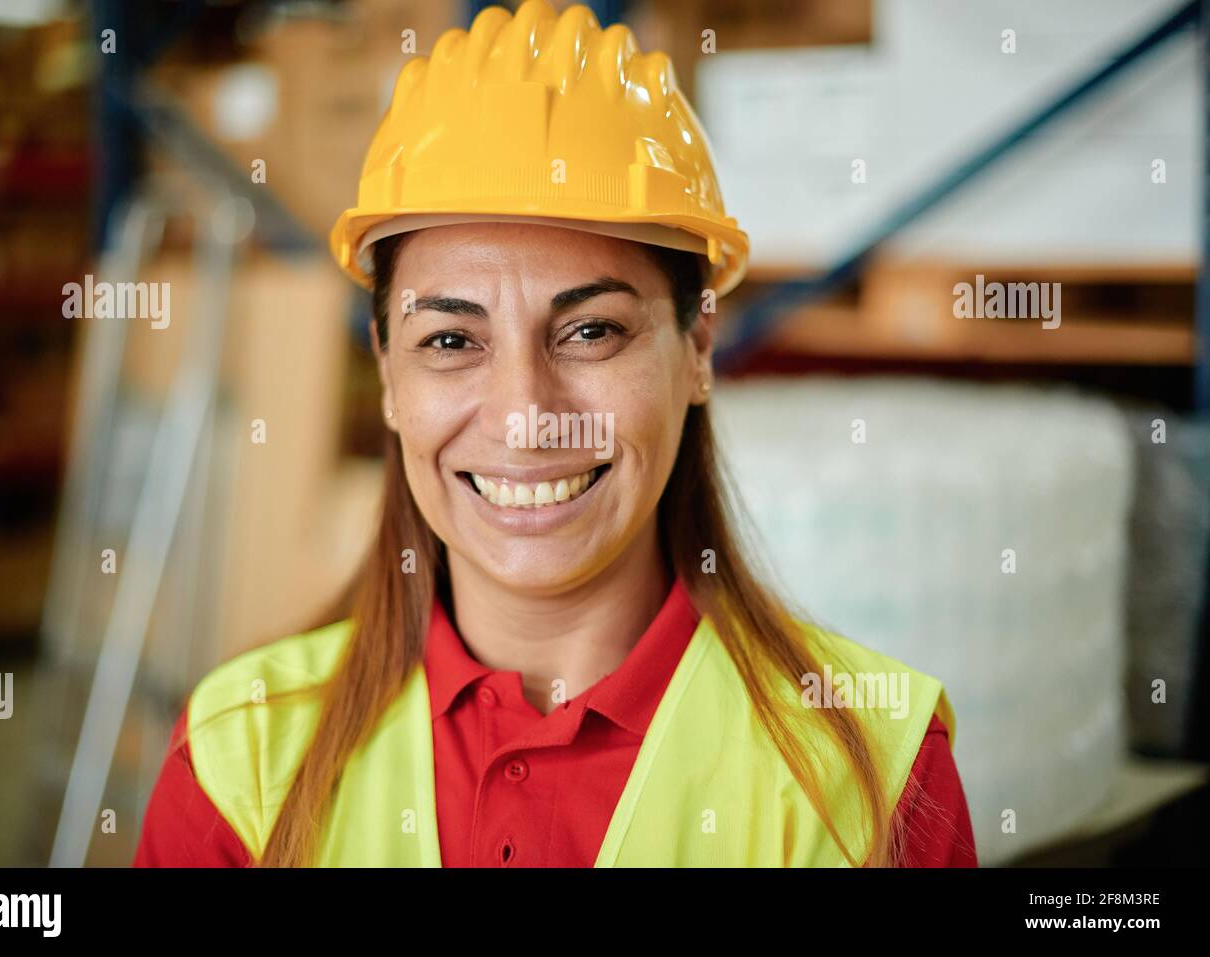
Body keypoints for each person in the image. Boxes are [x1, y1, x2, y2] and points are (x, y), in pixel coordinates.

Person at [135, 0, 977, 868]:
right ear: (388, 371)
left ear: (696, 348)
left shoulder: (871, 779)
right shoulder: (240, 767)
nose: (525, 415)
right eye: (452, 341)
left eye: (591, 331)